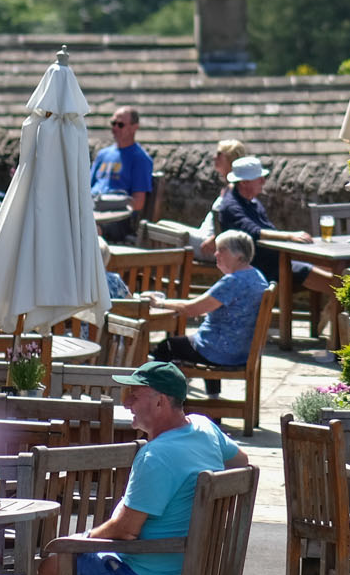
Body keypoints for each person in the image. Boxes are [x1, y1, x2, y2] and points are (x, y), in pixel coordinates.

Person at [34, 361, 246, 575]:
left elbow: (125, 529)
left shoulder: (156, 456)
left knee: (54, 569)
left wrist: (81, 540)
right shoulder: (205, 428)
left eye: (134, 396)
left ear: (160, 402)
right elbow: (241, 462)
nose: (126, 403)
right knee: (89, 566)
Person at [142, 230, 269, 397]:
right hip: (240, 349)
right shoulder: (257, 276)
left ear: (238, 254)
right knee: (200, 338)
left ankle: (162, 405)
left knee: (165, 348)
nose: (216, 254)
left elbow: (193, 308)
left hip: (221, 350)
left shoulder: (233, 281)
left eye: (221, 249)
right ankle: (213, 400)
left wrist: (159, 303)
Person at [199, 157, 312, 284]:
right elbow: (254, 232)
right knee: (326, 279)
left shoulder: (252, 202)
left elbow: (265, 229)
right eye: (258, 179)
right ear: (244, 182)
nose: (263, 181)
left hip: (273, 262)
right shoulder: (231, 207)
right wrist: (290, 236)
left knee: (328, 272)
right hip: (259, 269)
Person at [89, 106, 153, 234]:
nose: (115, 128)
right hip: (93, 210)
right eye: (113, 123)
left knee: (88, 231)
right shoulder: (103, 154)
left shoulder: (140, 158)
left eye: (120, 125)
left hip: (117, 219)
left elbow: (138, 202)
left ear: (135, 127)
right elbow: (88, 188)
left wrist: (111, 205)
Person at [191, 137, 251, 249]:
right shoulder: (228, 188)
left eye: (219, 154)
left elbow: (235, 220)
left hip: (209, 243)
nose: (214, 157)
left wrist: (215, 239)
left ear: (230, 159)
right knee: (163, 226)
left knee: (165, 234)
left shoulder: (236, 190)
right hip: (203, 235)